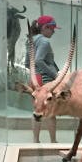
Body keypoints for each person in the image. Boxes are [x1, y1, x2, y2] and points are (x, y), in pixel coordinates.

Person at [27, 14, 60, 142]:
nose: (53, 32)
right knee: (50, 112)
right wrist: (55, 75)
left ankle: (36, 140)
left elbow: (28, 62)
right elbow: (39, 60)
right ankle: (53, 141)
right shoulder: (44, 42)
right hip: (45, 79)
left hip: (34, 78)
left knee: (37, 110)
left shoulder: (31, 40)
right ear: (45, 27)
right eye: (52, 29)